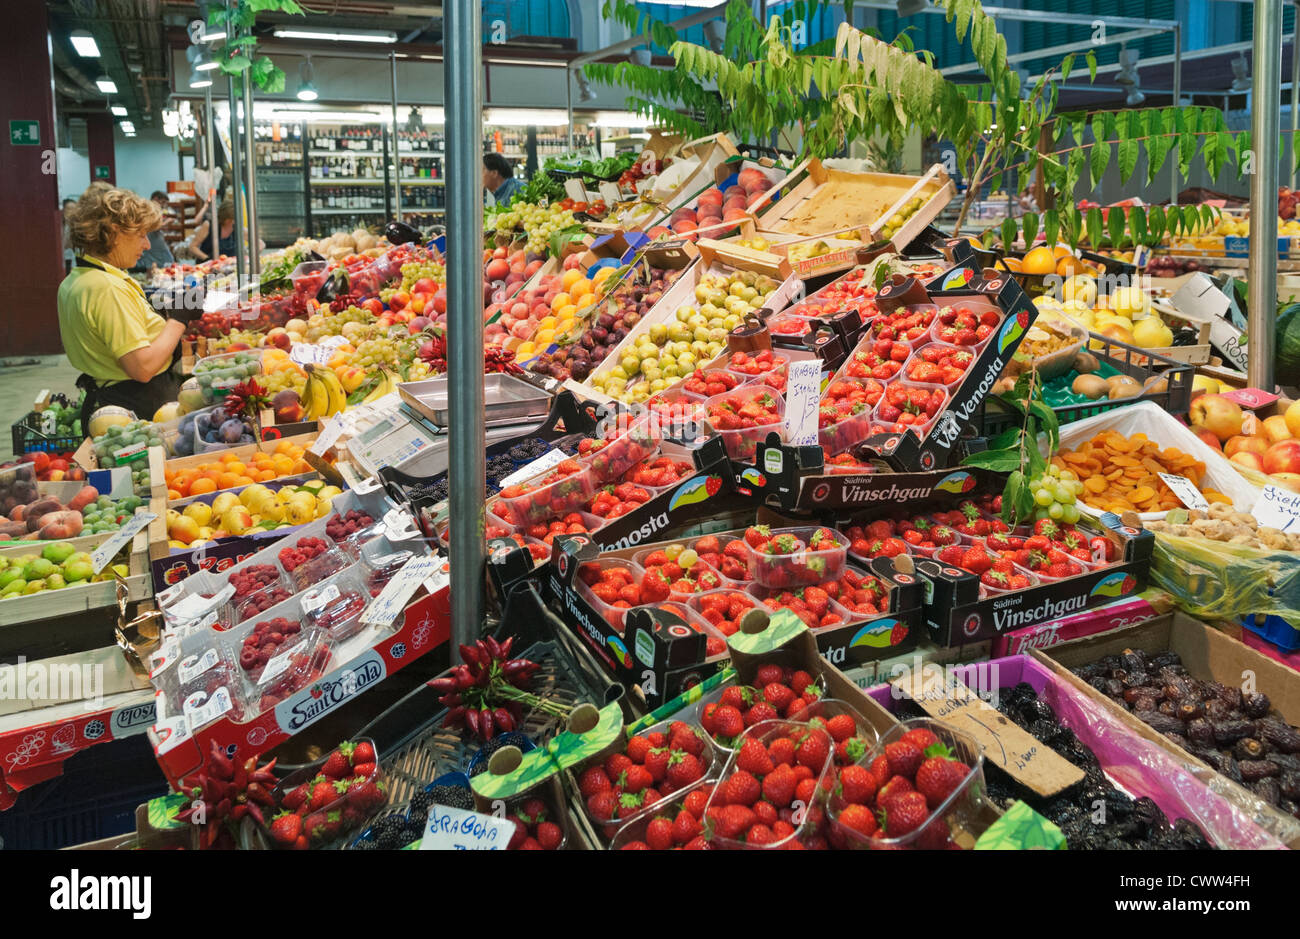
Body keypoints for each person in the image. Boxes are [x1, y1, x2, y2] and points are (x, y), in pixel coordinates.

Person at [58, 184, 201, 428]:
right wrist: (179, 319)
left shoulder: (76, 280)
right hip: (135, 406)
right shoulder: (106, 288)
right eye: (141, 235)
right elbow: (142, 367)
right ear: (114, 233)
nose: (147, 245)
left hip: (111, 401)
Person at [136, 190, 176, 269]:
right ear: (156, 199)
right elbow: (153, 226)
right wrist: (167, 221)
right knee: (166, 264)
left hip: (155, 241)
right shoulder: (149, 210)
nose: (163, 205)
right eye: (163, 202)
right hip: (153, 244)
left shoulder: (153, 210)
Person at [61, 198, 76, 273]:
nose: (72, 212)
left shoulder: (76, 226)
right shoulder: (60, 224)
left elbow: (68, 245)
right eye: (69, 209)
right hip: (64, 260)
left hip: (73, 262)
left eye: (74, 209)